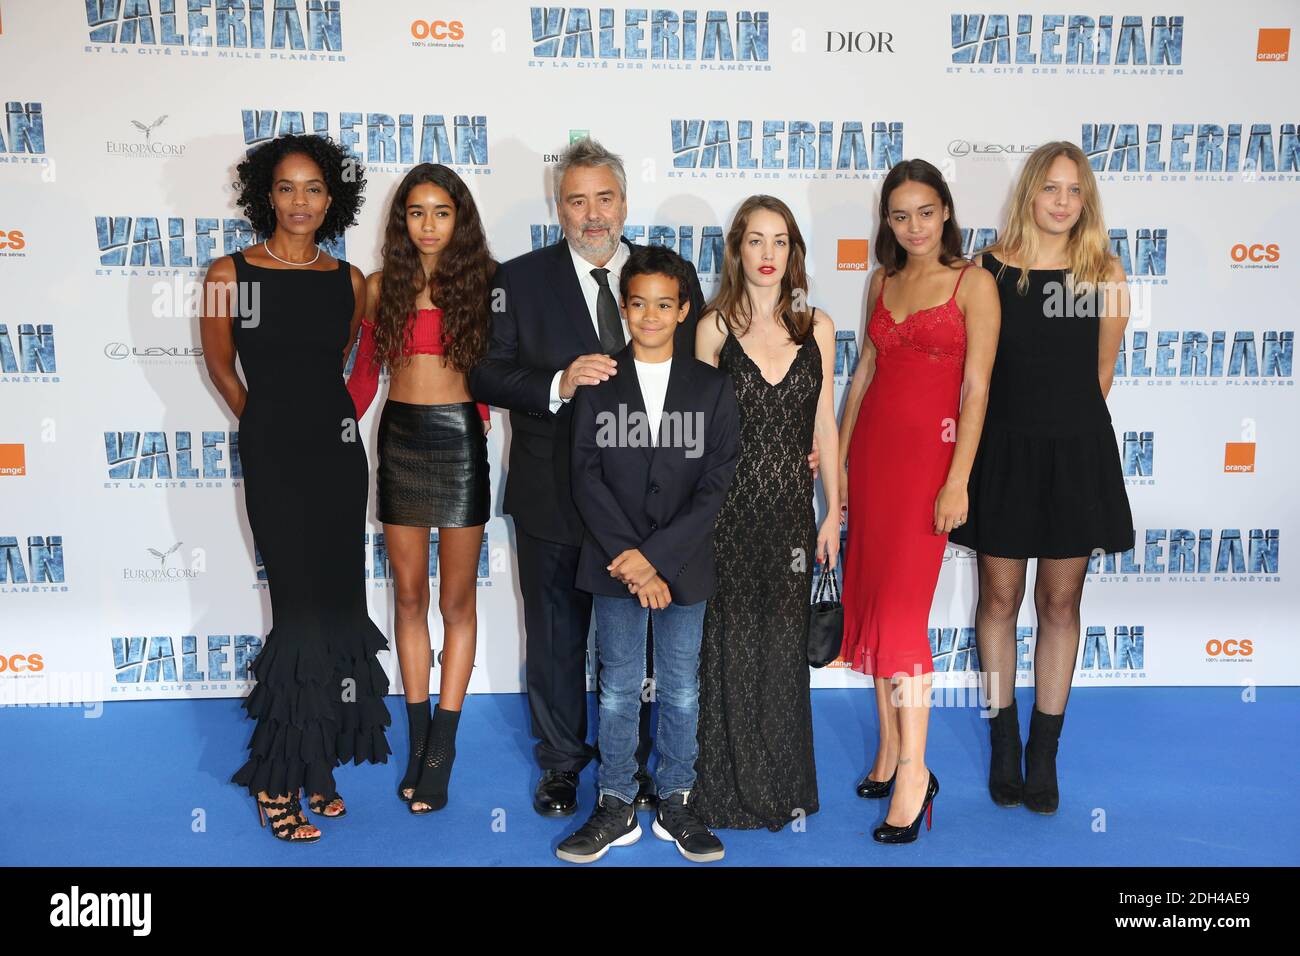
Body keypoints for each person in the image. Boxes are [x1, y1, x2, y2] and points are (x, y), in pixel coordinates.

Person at [468, 138, 707, 817]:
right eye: (577, 200)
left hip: (653, 505)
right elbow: (486, 372)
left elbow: (703, 375)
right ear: (559, 207)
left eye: (605, 198)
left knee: (649, 646)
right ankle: (563, 766)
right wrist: (556, 381)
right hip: (552, 493)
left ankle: (651, 772)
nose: (592, 214)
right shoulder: (517, 280)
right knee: (557, 634)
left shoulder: (670, 275)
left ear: (625, 203)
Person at [201, 133, 389, 843]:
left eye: (314, 188)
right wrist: (264, 424)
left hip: (338, 457)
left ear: (331, 197)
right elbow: (223, 367)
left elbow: (348, 360)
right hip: (275, 455)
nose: (301, 201)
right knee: (299, 612)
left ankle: (319, 765)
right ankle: (279, 779)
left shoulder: (351, 279)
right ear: (264, 194)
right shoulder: (229, 273)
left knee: (338, 605)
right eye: (287, 187)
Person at [948, 141, 1133, 815]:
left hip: (1075, 456)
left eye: (1074, 190)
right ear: (1029, 193)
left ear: (1086, 200)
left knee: (1061, 606)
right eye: (1051, 188)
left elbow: (1102, 375)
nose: (1062, 200)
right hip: (1004, 454)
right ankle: (1003, 743)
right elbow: (975, 376)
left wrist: (1067, 435)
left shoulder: (1103, 272)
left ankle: (1043, 754)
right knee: (998, 599)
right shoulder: (989, 270)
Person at [558, 245, 739, 863]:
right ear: (625, 310)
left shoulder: (713, 387)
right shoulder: (600, 382)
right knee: (617, 687)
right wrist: (631, 559)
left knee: (682, 686)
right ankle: (614, 803)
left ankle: (677, 800)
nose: (652, 316)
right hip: (615, 566)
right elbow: (585, 477)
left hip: (683, 565)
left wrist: (657, 559)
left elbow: (717, 481)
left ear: (684, 310)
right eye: (640, 305)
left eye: (665, 304)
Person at [836, 159, 1000, 843]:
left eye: (924, 212)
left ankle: (914, 768)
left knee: (902, 622)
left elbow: (976, 390)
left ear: (946, 212)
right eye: (899, 215)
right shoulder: (883, 279)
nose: (913, 227)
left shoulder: (974, 283)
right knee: (874, 608)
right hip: (872, 462)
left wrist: (958, 479)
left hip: (929, 468)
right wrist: (839, 464)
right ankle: (885, 748)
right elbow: (865, 373)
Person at [345, 163, 494, 814]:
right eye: (416, 211)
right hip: (400, 440)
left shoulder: (488, 285)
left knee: (456, 601)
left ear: (459, 218)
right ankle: (416, 740)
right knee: (409, 595)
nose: (428, 224)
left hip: (460, 440)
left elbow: (504, 373)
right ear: (401, 220)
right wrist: (319, 431)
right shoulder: (380, 288)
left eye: (441, 211)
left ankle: (444, 745)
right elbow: (363, 378)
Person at [693, 195, 840, 831]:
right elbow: (694, 435)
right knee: (725, 646)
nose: (768, 255)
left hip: (789, 519)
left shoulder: (819, 327)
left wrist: (835, 510)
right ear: (737, 249)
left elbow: (825, 425)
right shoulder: (712, 329)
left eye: (780, 241)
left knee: (780, 649)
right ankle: (723, 789)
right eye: (756, 240)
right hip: (725, 514)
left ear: (794, 252)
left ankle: (781, 784)